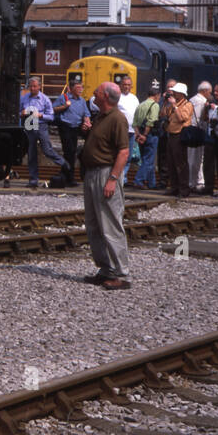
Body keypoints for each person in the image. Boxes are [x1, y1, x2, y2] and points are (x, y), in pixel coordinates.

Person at [79, 81, 132, 289]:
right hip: (92, 173)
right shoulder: (101, 116)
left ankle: (121, 273)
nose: (93, 92)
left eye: (97, 91)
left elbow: (123, 152)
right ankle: (105, 269)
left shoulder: (117, 118)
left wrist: (112, 179)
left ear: (106, 97)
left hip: (105, 173)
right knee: (94, 225)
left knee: (110, 224)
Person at [19, 75, 69, 188]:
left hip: (41, 125)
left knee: (47, 150)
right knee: (31, 153)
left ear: (39, 87)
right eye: (31, 86)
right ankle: (33, 179)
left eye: (35, 86)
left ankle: (64, 164)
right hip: (29, 125)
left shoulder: (45, 99)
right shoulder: (24, 98)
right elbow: (18, 112)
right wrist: (21, 114)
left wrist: (41, 115)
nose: (32, 89)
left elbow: (51, 117)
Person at [51, 80, 92, 185]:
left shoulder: (82, 101)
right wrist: (64, 107)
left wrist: (86, 123)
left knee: (75, 151)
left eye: (82, 87)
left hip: (76, 128)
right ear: (72, 89)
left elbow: (86, 114)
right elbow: (52, 109)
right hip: (66, 127)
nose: (81, 90)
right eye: (78, 88)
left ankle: (71, 175)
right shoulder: (63, 98)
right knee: (69, 152)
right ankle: (69, 178)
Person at [163, 82, 194, 198]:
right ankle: (174, 187)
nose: (173, 93)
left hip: (180, 135)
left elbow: (182, 118)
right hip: (171, 134)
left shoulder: (187, 105)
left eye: (175, 92)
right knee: (171, 163)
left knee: (181, 163)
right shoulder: (172, 103)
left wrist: (175, 106)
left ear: (181, 94)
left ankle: (184, 188)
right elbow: (163, 115)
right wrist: (166, 104)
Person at [133, 81, 162, 189]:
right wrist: (145, 135)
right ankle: (138, 180)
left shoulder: (140, 105)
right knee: (148, 159)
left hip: (139, 133)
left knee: (147, 158)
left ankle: (151, 183)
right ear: (156, 96)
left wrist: (138, 135)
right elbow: (151, 122)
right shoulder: (155, 105)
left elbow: (135, 122)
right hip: (150, 135)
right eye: (158, 96)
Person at [189, 81, 212, 193]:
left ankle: (194, 181)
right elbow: (198, 119)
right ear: (205, 91)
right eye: (209, 92)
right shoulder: (200, 102)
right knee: (196, 158)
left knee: (193, 158)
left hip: (192, 132)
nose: (210, 94)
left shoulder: (192, 99)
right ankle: (195, 182)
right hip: (197, 132)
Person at [116, 75, 140, 185]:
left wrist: (137, 130)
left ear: (131, 86)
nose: (126, 87)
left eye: (128, 85)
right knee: (120, 154)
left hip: (131, 131)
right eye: (124, 84)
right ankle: (118, 177)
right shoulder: (117, 97)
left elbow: (137, 114)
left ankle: (124, 178)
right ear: (121, 85)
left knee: (128, 156)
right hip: (120, 131)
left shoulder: (134, 98)